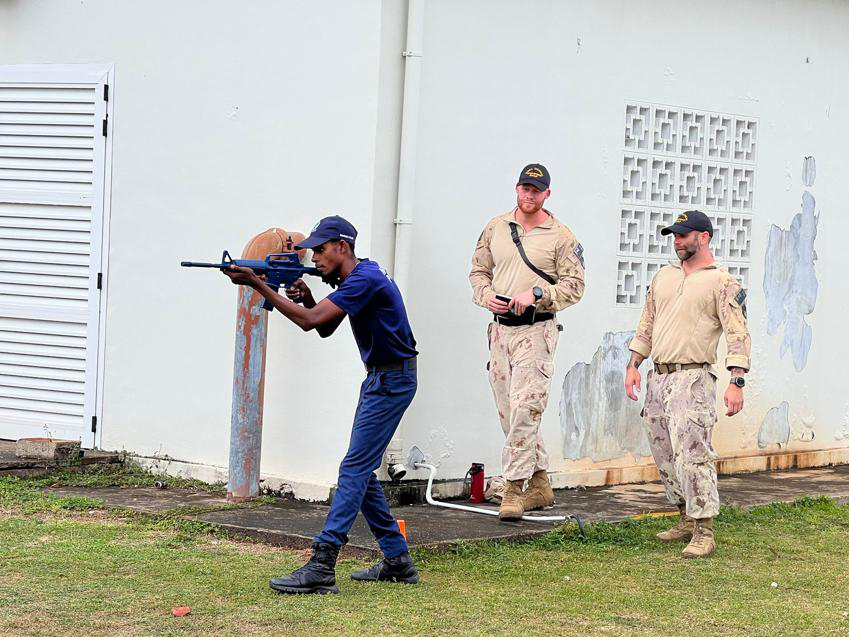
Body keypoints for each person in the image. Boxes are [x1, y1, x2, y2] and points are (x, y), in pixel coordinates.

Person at [223, 215, 420, 594]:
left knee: (353, 469)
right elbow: (325, 325)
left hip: (391, 381)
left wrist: (257, 284)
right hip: (383, 379)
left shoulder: (363, 279)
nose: (313, 258)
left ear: (342, 247)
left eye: (319, 250)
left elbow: (310, 322)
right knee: (359, 472)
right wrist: (307, 297)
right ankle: (397, 561)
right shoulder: (360, 277)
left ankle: (323, 564)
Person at [625, 209, 751, 559]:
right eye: (674, 236)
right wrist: (634, 364)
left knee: (694, 453)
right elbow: (647, 323)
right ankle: (684, 516)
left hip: (692, 377)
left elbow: (738, 333)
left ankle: (704, 529)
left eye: (683, 235)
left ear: (704, 237)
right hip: (658, 376)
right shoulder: (664, 276)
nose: (677, 241)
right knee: (664, 450)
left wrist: (736, 381)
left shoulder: (722, 282)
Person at [469, 163, 585, 520]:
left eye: (536, 190)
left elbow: (575, 286)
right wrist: (485, 295)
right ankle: (539, 484)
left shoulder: (561, 236)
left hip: (536, 330)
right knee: (509, 411)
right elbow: (478, 271)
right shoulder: (497, 227)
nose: (529, 195)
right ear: (517, 189)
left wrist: (538, 294)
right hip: (500, 330)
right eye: (525, 188)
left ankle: (513, 488)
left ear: (547, 193)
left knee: (526, 408)